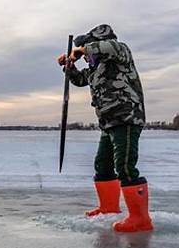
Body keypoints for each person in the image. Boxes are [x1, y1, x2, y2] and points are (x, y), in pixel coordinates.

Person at [56, 24, 153, 232]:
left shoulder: (120, 52)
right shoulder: (95, 69)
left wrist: (81, 50)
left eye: (87, 50)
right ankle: (108, 208)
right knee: (103, 165)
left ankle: (140, 219)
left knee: (125, 166)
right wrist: (69, 67)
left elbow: (108, 47)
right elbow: (81, 80)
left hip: (126, 118)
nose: (84, 57)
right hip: (108, 122)